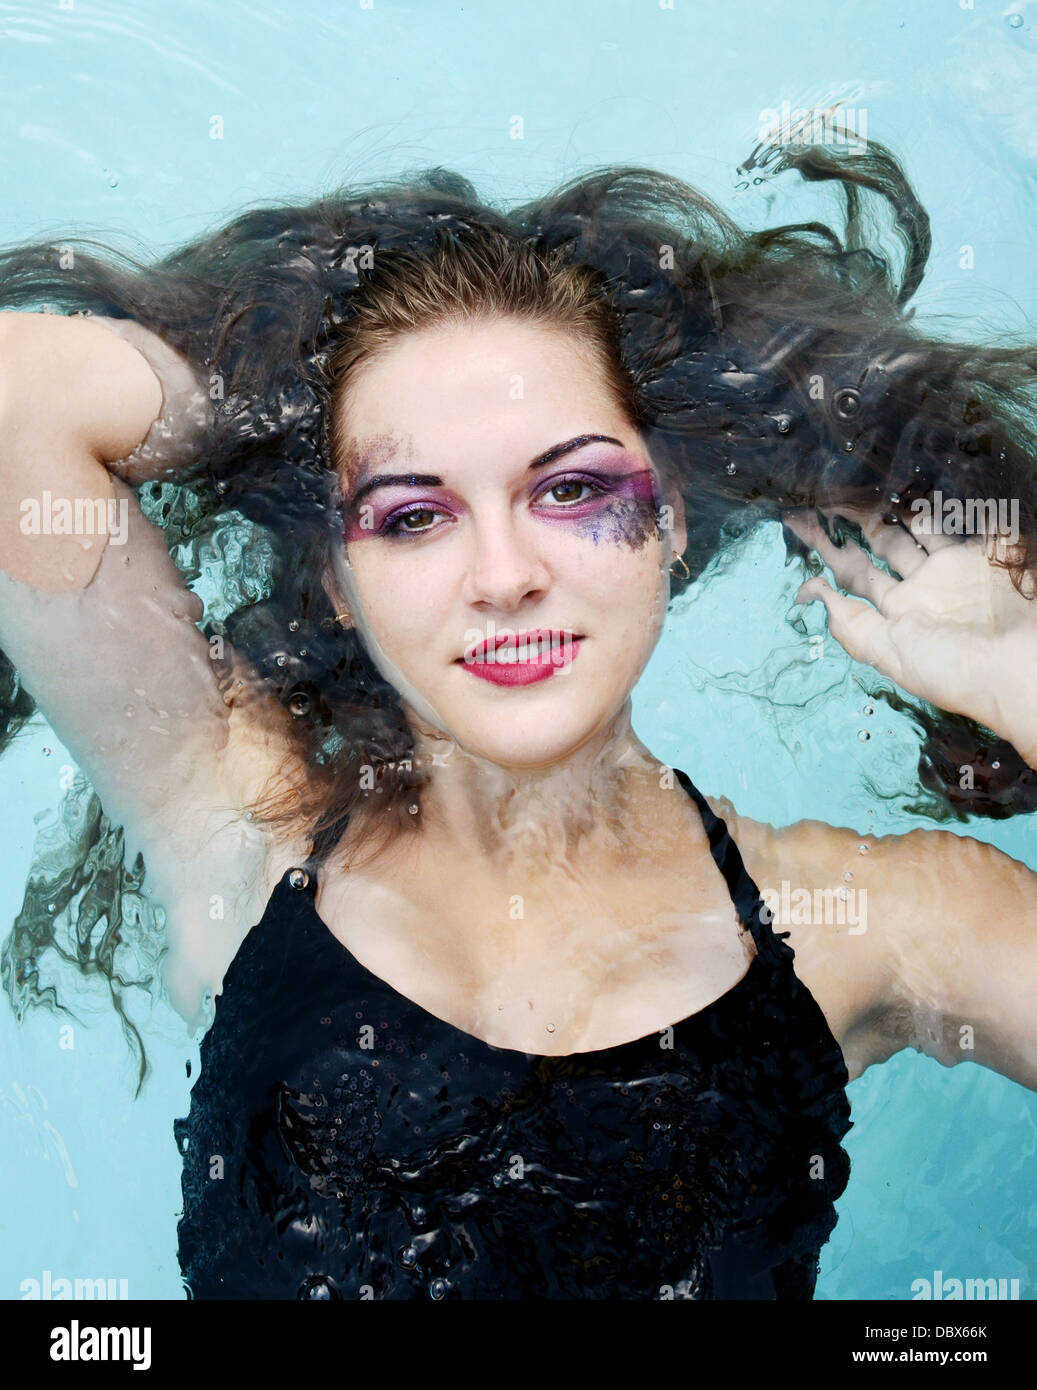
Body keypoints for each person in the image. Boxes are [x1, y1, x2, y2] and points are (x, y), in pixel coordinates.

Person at [0, 136, 1035, 1300]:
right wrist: (305, 389)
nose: (502, 575)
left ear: (673, 519)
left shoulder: (881, 924)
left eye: (571, 488)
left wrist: (1025, 693)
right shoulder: (239, 828)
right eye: (411, 516)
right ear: (338, 577)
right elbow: (17, 393)